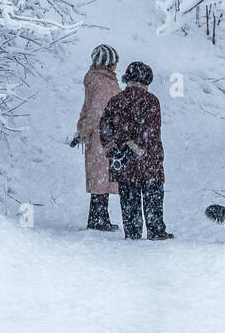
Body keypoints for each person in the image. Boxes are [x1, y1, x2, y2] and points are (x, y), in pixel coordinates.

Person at [99, 61, 172, 240]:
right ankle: (155, 231)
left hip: (123, 162)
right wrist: (135, 148)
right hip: (149, 161)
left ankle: (132, 233)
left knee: (129, 199)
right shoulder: (151, 101)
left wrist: (113, 148)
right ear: (146, 80)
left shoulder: (115, 100)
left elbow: (104, 127)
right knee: (152, 198)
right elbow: (150, 131)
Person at [73, 44, 121, 232]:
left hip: (103, 135)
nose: (117, 66)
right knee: (101, 179)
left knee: (101, 178)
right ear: (108, 64)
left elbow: (89, 109)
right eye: (114, 62)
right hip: (103, 137)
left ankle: (100, 217)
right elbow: (96, 112)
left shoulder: (99, 79)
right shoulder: (102, 82)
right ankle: (98, 219)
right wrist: (84, 131)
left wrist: (82, 130)